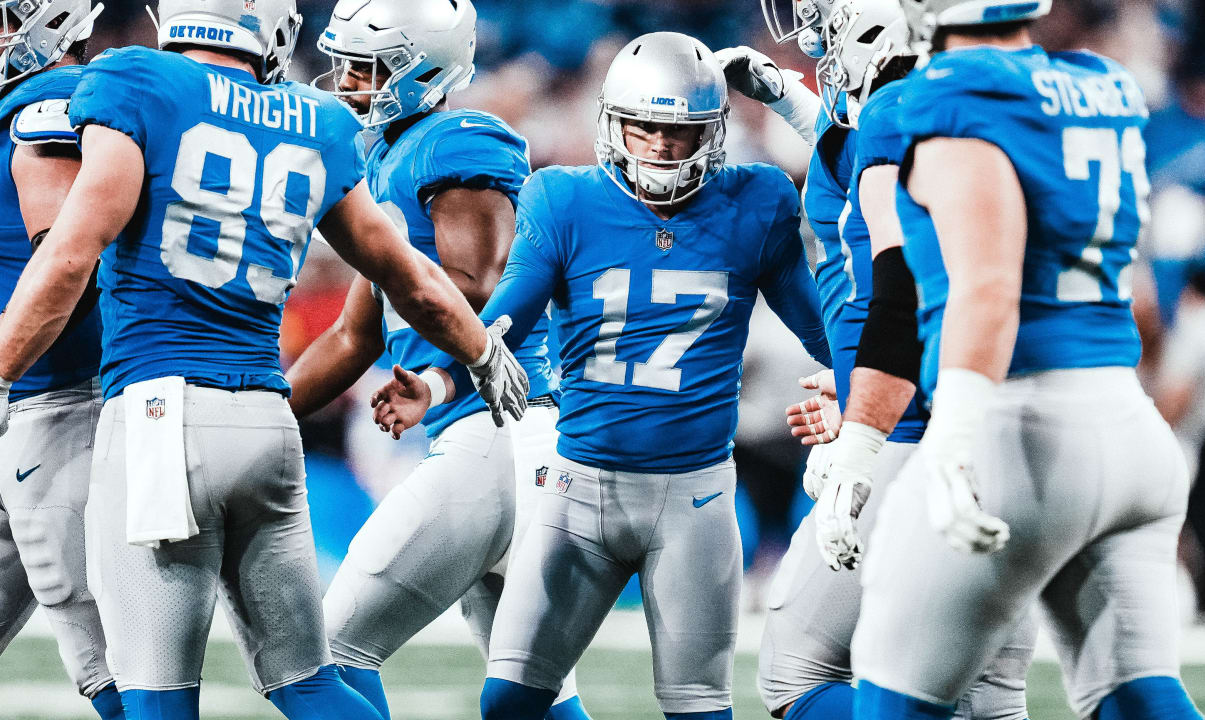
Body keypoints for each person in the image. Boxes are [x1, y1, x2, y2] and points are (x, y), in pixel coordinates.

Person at [0, 0, 526, 718]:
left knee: (154, 696)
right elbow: (409, 276)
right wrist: (482, 350)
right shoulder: (316, 120)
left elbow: (68, 258)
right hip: (266, 420)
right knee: (306, 681)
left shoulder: (130, 81)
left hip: (157, 413)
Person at [370, 31, 831, 720]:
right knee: (508, 702)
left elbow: (824, 323)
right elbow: (504, 321)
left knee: (699, 708)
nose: (663, 147)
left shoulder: (757, 199)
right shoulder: (564, 198)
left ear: (715, 131)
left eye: (682, 132)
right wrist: (437, 383)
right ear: (613, 122)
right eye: (646, 127)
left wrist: (858, 386)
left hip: (696, 498)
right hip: (577, 492)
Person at [818, 1, 1204, 718]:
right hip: (1129, 426)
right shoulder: (1099, 80)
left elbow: (979, 288)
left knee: (889, 693)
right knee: (1138, 697)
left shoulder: (944, 94)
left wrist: (953, 444)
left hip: (1020, 431)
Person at [724, 2, 1032, 719]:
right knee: (989, 698)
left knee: (797, 672)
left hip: (917, 429)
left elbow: (909, 285)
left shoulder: (901, 114)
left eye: (827, 21)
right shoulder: (945, 103)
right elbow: (859, 155)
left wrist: (866, 413)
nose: (816, 37)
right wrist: (792, 100)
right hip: (1001, 415)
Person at [290, 1, 588, 718]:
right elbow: (351, 338)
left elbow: (478, 282)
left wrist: (437, 372)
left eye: (368, 66)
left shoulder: (458, 138)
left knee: (328, 654)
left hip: (497, 430)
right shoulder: (385, 159)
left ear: (423, 67)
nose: (349, 80)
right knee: (529, 700)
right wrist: (260, 411)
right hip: (499, 431)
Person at [0, 1, 123, 718]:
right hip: (25, 401)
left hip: (56, 399)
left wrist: (8, 359)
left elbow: (68, 258)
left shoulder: (48, 106)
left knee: (110, 666)